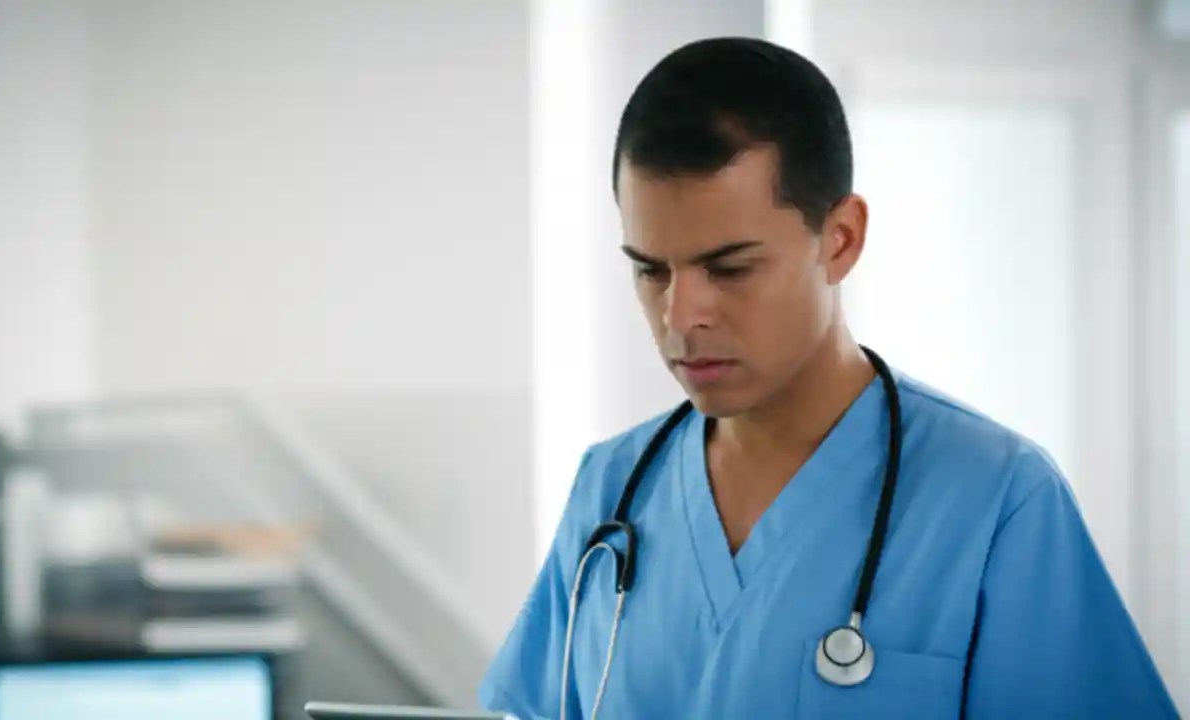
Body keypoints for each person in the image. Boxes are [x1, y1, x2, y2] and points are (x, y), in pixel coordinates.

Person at [478, 37, 1177, 719]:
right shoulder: (611, 492)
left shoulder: (997, 501)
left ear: (840, 240)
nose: (679, 316)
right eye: (650, 269)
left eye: (730, 268)